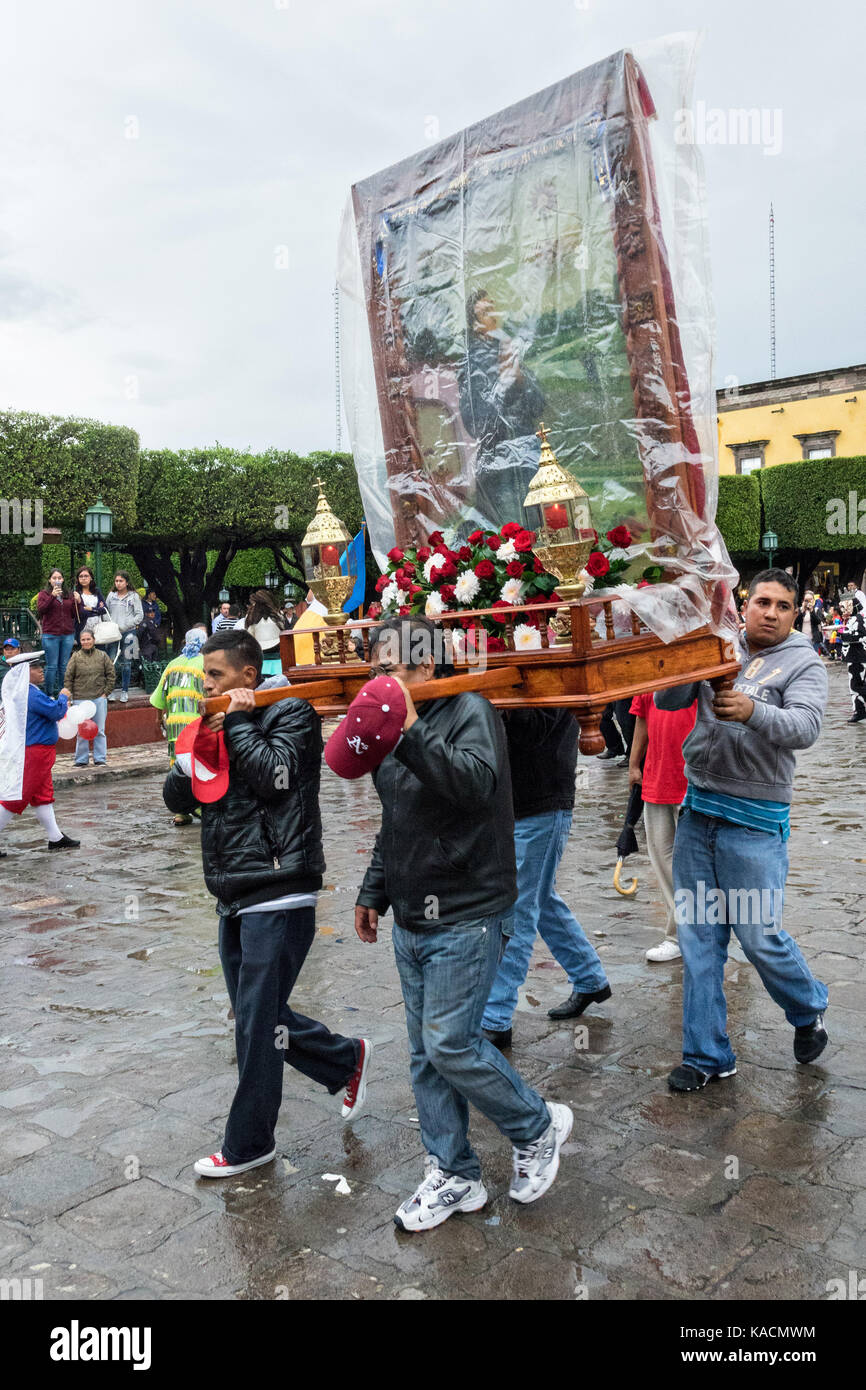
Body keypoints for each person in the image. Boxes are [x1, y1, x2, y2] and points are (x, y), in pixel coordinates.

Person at [354, 616, 572, 1231]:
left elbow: (476, 787)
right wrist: (374, 890)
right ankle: (454, 1173)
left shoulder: (470, 708)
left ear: (427, 666)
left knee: (453, 1043)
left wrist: (414, 728)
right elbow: (395, 817)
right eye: (375, 667)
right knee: (426, 1052)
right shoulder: (389, 728)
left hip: (470, 912)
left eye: (392, 667)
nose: (381, 678)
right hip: (412, 913)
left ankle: (536, 1125)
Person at [163, 628, 370, 1178]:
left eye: (215, 676)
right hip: (232, 890)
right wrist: (191, 758)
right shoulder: (213, 724)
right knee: (257, 1018)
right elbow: (177, 799)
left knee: (256, 1024)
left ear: (248, 676)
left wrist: (234, 722)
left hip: (281, 888)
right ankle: (344, 1058)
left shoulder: (292, 713)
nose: (205, 684)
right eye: (203, 675)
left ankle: (249, 1143)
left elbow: (274, 778)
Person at [656, 569, 829, 1092]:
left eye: (782, 605)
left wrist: (753, 710)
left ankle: (807, 1007)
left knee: (758, 936)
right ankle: (707, 1055)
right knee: (700, 939)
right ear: (745, 604)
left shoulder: (805, 662)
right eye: (761, 602)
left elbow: (806, 728)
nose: (770, 612)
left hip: (753, 827)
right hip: (698, 816)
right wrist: (690, 659)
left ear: (794, 613)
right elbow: (666, 703)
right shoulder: (721, 643)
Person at [481, 708, 611, 1049]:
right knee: (540, 898)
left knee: (518, 912)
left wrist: (493, 704)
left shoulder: (552, 678)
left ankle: (495, 1019)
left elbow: (533, 729)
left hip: (542, 805)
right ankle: (589, 977)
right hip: (511, 805)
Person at [457, 289, 545, 526]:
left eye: (493, 309)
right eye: (485, 312)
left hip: (528, 454)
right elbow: (474, 422)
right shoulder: (470, 363)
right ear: (475, 323)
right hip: (498, 463)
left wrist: (519, 379)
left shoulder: (509, 352)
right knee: (509, 534)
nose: (493, 316)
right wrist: (503, 386)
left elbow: (539, 404)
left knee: (539, 525)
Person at [628, 690, 698, 962]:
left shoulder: (700, 664)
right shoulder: (650, 670)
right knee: (663, 861)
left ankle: (680, 935)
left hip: (693, 780)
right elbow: (642, 718)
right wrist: (634, 763)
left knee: (691, 865)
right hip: (656, 777)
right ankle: (685, 931)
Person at [0, 652, 80, 854]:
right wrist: (63, 697)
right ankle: (55, 838)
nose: (41, 670)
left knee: (42, 796)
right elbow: (55, 712)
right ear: (25, 672)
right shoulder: (30, 694)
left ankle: (56, 837)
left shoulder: (24, 692)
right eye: (36, 667)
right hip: (34, 752)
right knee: (16, 797)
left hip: (35, 750)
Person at [149, 625, 208, 824]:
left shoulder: (172, 664)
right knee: (198, 767)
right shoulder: (206, 664)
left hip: (174, 726)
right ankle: (200, 806)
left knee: (177, 769)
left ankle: (181, 812)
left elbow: (159, 698)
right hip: (197, 726)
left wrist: (159, 719)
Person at [63, 630, 115, 766]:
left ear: (93, 640)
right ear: (80, 641)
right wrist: (69, 697)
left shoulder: (103, 656)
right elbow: (68, 678)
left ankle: (100, 758)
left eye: (88, 639)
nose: (86, 642)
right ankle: (81, 760)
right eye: (83, 640)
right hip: (80, 699)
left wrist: (105, 693)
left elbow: (111, 675)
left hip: (99, 698)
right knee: (82, 732)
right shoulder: (75, 657)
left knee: (100, 730)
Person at [36, 569, 78, 698]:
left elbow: (75, 614)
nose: (57, 580)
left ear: (63, 579)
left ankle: (62, 693)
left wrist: (78, 601)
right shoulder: (44, 594)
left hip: (67, 634)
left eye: (59, 578)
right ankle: (49, 694)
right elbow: (41, 610)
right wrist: (52, 596)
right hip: (51, 634)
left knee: (64, 666)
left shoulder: (68, 594)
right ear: (50, 580)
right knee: (52, 666)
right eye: (54, 578)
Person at [105, 573, 143, 702]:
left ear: (127, 582)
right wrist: (111, 625)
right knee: (111, 662)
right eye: (116, 581)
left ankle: (125, 691)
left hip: (129, 633)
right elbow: (105, 612)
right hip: (113, 633)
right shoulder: (111, 596)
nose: (118, 583)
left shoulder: (134, 596)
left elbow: (139, 616)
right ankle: (110, 691)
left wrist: (125, 626)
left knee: (126, 663)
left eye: (121, 581)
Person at [234, 590, 285, 676]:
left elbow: (249, 635)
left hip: (259, 656)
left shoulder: (251, 616)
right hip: (277, 657)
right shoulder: (278, 614)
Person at [840, 589, 866, 724]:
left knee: (857, 685)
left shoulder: (858, 619)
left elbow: (861, 636)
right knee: (855, 685)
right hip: (855, 657)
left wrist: (844, 636)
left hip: (858, 657)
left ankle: (860, 710)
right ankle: (859, 711)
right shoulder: (854, 619)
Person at [72, 567, 108, 644]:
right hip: (82, 627)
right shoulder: (75, 593)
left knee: (99, 651)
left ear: (91, 577)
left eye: (86, 576)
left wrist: (91, 608)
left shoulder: (97, 591)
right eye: (81, 576)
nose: (83, 578)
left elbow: (104, 609)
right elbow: (81, 612)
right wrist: (97, 610)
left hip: (98, 627)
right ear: (78, 579)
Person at [795, 591, 825, 656]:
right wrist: (803, 611)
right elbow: (796, 622)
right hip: (801, 640)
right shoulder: (800, 610)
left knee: (814, 658)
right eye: (806, 600)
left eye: (810, 599)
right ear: (803, 600)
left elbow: (818, 621)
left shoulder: (816, 610)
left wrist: (812, 611)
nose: (808, 602)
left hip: (814, 639)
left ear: (813, 600)